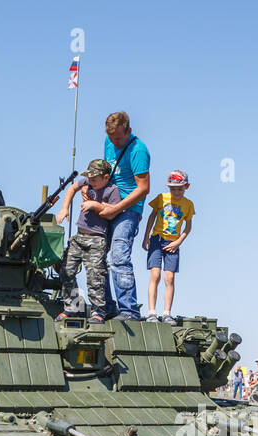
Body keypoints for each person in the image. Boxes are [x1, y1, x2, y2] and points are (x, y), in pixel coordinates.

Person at [90, 112, 151, 320]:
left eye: (118, 138)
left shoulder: (139, 150)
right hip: (107, 204)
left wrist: (116, 209)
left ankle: (129, 311)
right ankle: (107, 306)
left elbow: (143, 188)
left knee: (119, 256)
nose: (114, 142)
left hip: (128, 210)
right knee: (96, 256)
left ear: (129, 131)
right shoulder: (108, 141)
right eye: (111, 137)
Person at [56, 158, 120, 321]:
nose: (90, 181)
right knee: (67, 271)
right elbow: (72, 188)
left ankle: (99, 311)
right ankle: (74, 306)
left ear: (106, 177)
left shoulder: (112, 191)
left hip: (97, 239)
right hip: (79, 236)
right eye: (89, 178)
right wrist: (64, 208)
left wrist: (94, 205)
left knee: (95, 276)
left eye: (94, 179)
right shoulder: (88, 182)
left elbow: (112, 212)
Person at [141, 170, 194, 321]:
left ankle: (166, 313)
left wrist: (178, 242)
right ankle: (152, 312)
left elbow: (188, 227)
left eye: (180, 189)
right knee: (155, 275)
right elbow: (152, 216)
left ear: (186, 187)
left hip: (173, 243)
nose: (176, 192)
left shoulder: (188, 205)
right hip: (156, 240)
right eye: (173, 189)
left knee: (169, 278)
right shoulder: (161, 199)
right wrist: (146, 236)